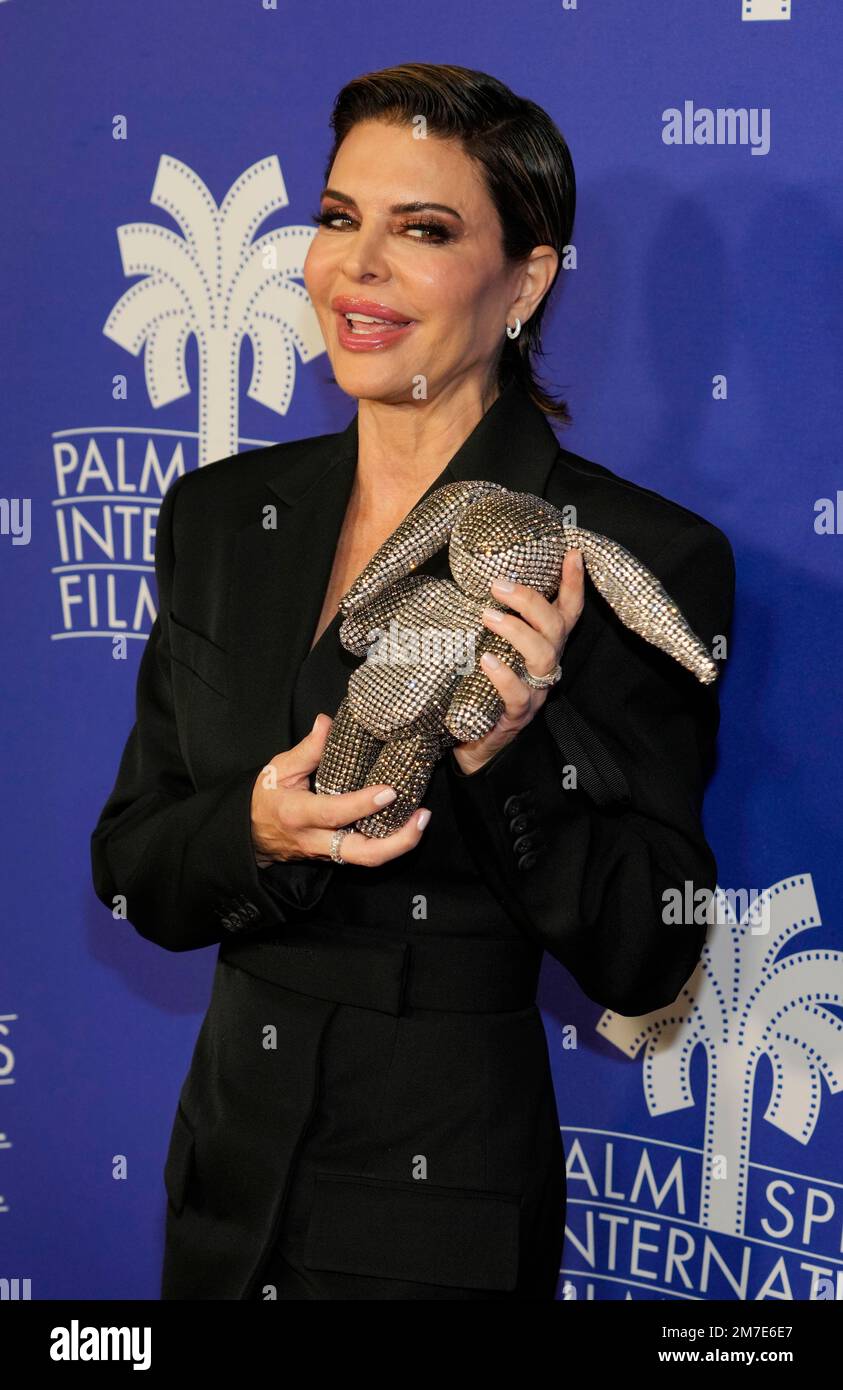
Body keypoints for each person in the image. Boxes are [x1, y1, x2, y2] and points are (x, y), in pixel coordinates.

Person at [90, 62, 734, 1301]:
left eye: (423, 230)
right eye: (340, 218)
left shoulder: (635, 555)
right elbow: (133, 868)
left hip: (437, 1222)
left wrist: (511, 748)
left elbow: (650, 954)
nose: (357, 267)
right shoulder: (224, 516)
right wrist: (257, 829)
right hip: (224, 1197)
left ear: (527, 281)